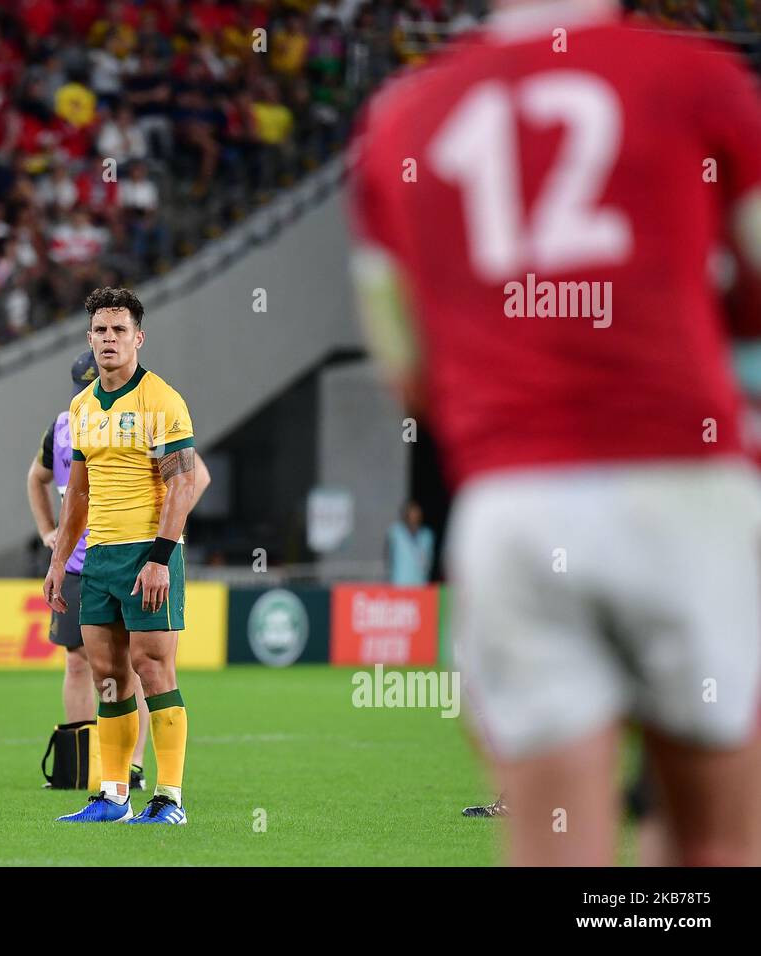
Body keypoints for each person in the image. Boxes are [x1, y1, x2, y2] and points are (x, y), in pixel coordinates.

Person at [351, 0, 761, 865]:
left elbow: (407, 373)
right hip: (685, 483)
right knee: (715, 844)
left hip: (516, 502)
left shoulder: (401, 120)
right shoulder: (700, 77)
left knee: (551, 851)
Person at [44, 288, 199, 824]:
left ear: (139, 337)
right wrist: (59, 560)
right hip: (100, 558)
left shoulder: (162, 400)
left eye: (119, 330)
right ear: (89, 339)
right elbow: (77, 495)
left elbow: (181, 485)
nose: (109, 340)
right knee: (107, 675)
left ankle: (169, 799)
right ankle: (113, 796)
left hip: (148, 554)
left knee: (153, 669)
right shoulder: (81, 407)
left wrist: (160, 555)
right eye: (100, 331)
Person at [384, 500, 433, 586]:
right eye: (411, 513)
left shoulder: (427, 535)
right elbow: (387, 555)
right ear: (405, 515)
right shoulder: (396, 532)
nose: (413, 516)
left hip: (420, 583)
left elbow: (428, 560)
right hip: (399, 583)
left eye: (416, 513)